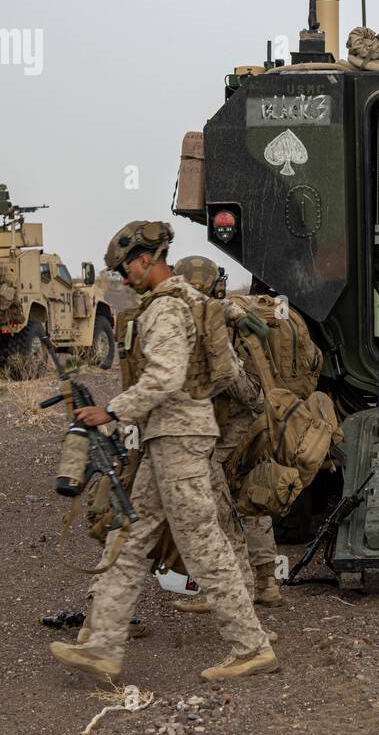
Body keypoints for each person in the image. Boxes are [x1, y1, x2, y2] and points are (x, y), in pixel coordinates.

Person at [48, 221, 276, 684]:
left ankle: (251, 647)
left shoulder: (168, 309)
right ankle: (101, 647)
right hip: (167, 440)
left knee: (202, 544)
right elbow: (217, 368)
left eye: (124, 267)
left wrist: (111, 410)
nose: (123, 278)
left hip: (178, 441)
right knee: (130, 541)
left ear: (146, 259)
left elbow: (165, 377)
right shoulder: (190, 304)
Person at [172, 255, 281, 611]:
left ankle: (231, 591)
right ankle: (264, 584)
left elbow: (244, 389)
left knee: (222, 503)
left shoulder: (218, 325)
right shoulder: (225, 315)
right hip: (246, 420)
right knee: (248, 497)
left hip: (241, 421)